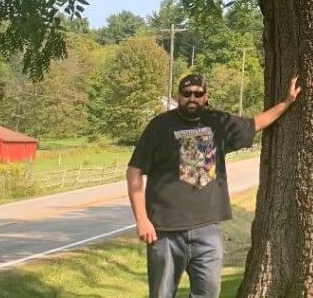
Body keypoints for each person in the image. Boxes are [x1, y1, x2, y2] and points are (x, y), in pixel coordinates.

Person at [127, 71, 301, 298]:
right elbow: (134, 171)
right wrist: (141, 219)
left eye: (197, 94)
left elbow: (255, 123)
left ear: (205, 97)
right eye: (186, 93)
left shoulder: (218, 122)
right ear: (178, 97)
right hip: (165, 232)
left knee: (208, 294)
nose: (192, 98)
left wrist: (286, 103)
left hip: (207, 230)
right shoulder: (159, 126)